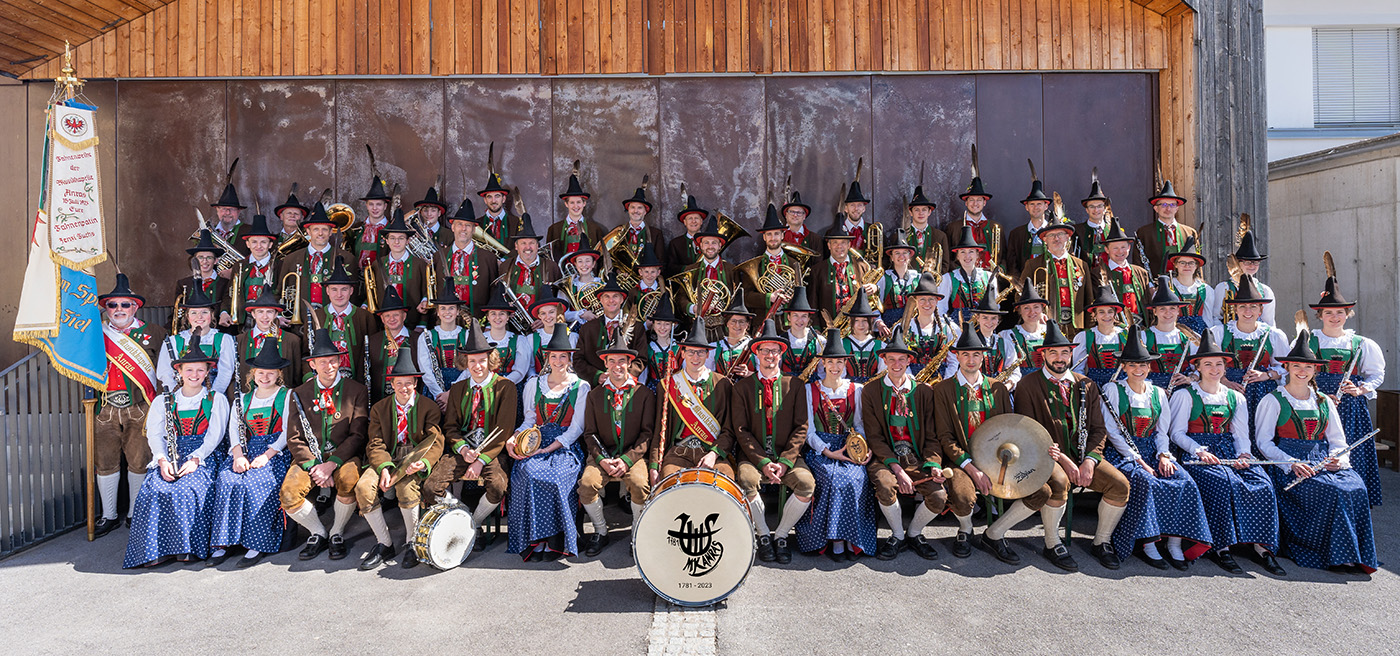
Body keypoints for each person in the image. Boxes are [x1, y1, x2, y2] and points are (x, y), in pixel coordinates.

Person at [983, 321, 1130, 571]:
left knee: (1120, 486)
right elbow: (1030, 433)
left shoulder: (1086, 384)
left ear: (1071, 353)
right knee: (1060, 482)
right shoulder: (1028, 385)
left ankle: (1101, 541)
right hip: (1044, 455)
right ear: (1043, 354)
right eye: (1053, 352)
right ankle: (1052, 543)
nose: (1059, 358)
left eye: (1064, 352)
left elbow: (1098, 429)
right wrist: (1066, 461)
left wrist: (1090, 461)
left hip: (1083, 456)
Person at [1253, 335, 1377, 573]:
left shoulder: (1324, 401)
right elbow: (1264, 442)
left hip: (1322, 461)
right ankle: (1331, 554)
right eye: (1296, 366)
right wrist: (1291, 464)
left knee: (1356, 486)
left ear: (1315, 370)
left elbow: (1338, 441)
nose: (1302, 371)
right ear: (1287, 367)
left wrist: (1338, 460)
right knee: (1334, 491)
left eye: (1308, 367)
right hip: (1288, 464)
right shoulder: (1273, 399)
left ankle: (1353, 553)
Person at [1169, 328, 1284, 575]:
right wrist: (1199, 451)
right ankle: (1222, 548)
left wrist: (1244, 454)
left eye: (1219, 364)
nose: (1214, 369)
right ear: (1197, 367)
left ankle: (1261, 547)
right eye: (1207, 364)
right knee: (1223, 482)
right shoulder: (1184, 395)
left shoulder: (1236, 397)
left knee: (1261, 483)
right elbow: (1176, 434)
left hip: (1229, 450)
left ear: (1225, 367)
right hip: (1196, 453)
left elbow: (1241, 434)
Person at [1101, 326, 1213, 570]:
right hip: (1123, 454)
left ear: (1149, 367)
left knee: (1183, 480)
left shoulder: (1159, 393)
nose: (1137, 370)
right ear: (1124, 367)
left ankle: (1174, 542)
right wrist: (1137, 460)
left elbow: (1161, 432)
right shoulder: (1112, 390)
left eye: (1142, 365)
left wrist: (1163, 455)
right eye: (1132, 365)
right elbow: (1114, 433)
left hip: (1153, 450)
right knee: (1147, 482)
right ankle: (1148, 543)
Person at [123, 334, 230, 568]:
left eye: (200, 370)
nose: (194, 375)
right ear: (179, 372)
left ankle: (187, 547)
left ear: (207, 372)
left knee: (189, 489)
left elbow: (215, 437)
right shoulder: (164, 400)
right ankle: (155, 549)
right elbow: (154, 433)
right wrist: (162, 460)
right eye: (189, 370)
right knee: (153, 490)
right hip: (171, 452)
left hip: (203, 455)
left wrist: (196, 459)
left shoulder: (216, 399)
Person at [422, 319, 518, 545]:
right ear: (465, 362)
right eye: (472, 361)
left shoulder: (506, 387)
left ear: (490, 361)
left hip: (492, 452)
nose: (477, 366)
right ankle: (461, 516)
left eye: (482, 360)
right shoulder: (457, 389)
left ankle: (473, 522)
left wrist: (480, 461)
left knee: (497, 486)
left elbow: (504, 430)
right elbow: (451, 427)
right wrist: (463, 450)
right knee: (430, 487)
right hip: (463, 450)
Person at [280, 328, 370, 562]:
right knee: (289, 494)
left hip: (343, 455)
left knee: (349, 480)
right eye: (322, 362)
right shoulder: (298, 393)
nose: (328, 366)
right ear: (313, 365)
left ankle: (336, 531)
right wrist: (314, 466)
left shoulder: (357, 390)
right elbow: (294, 437)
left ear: (340, 361)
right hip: (309, 458)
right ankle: (318, 532)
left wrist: (331, 464)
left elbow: (357, 435)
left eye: (332, 361)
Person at [731, 321, 815, 563]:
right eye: (764, 350)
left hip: (786, 455)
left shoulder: (795, 385)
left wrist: (786, 461)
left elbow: (801, 427)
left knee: (806, 484)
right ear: (756, 353)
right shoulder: (743, 388)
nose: (770, 355)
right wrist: (764, 462)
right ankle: (763, 535)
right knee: (746, 481)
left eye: (774, 351)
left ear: (781, 353)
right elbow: (741, 430)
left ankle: (781, 535)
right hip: (754, 455)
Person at [208, 340, 295, 568]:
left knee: (257, 482)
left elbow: (287, 431)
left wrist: (267, 455)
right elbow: (235, 431)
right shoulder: (242, 399)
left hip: (275, 451)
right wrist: (238, 456)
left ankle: (256, 542)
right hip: (246, 450)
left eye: (270, 373)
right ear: (253, 374)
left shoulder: (286, 395)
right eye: (260, 372)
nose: (265, 377)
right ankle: (224, 543)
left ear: (278, 374)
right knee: (227, 480)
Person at [861, 328, 946, 561]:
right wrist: (897, 470)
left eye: (901, 359)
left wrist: (933, 464)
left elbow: (931, 435)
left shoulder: (924, 392)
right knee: (886, 486)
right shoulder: (870, 391)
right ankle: (897, 535)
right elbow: (874, 436)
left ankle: (914, 533)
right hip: (885, 459)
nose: (896, 364)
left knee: (939, 497)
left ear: (910, 360)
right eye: (891, 359)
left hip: (916, 458)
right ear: (884, 360)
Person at [355, 350, 444, 570]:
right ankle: (384, 543)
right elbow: (375, 443)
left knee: (406, 490)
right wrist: (384, 468)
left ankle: (411, 542)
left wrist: (423, 463)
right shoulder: (379, 408)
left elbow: (436, 440)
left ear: (415, 383)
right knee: (363, 488)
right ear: (392, 384)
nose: (404, 388)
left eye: (408, 383)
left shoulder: (428, 407)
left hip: (414, 457)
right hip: (386, 457)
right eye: (399, 383)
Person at [508, 325, 591, 561]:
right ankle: (536, 540)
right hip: (536, 441)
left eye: (563, 356)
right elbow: (530, 420)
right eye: (553, 356)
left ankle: (556, 541)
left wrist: (552, 446)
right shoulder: (534, 384)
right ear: (547, 357)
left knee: (555, 478)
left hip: (565, 445)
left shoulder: (580, 386)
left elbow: (577, 428)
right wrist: (514, 437)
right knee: (528, 472)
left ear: (569, 358)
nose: (558, 360)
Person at [94, 274, 167, 538]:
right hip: (104, 408)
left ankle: (135, 513)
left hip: (140, 406)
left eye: (125, 305)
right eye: (113, 305)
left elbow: (166, 372)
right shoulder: (95, 334)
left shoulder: (155, 333)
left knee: (139, 461)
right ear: (106, 308)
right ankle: (109, 515)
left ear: (135, 307)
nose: (119, 310)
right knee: (105, 462)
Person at [932, 324, 1013, 558]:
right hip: (960, 461)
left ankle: (995, 533)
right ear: (956, 355)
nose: (970, 359)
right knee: (963, 496)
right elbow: (945, 436)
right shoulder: (944, 390)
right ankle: (966, 528)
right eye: (965, 354)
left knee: (1038, 489)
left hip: (996, 458)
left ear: (983, 356)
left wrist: (1000, 463)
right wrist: (972, 468)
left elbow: (1007, 429)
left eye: (976, 354)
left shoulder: (997, 388)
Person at [795, 331, 876, 560]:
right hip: (821, 449)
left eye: (839, 361)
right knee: (830, 478)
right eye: (830, 361)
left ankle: (853, 539)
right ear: (822, 363)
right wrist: (828, 451)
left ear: (845, 363)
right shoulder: (810, 389)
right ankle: (835, 540)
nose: (834, 366)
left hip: (848, 446)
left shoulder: (856, 390)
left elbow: (859, 425)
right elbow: (808, 430)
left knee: (857, 478)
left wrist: (862, 447)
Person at [1308, 276, 1386, 506]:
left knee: (1353, 449)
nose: (1335, 317)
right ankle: (1322, 497)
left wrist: (1360, 389)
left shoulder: (1362, 343)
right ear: (1320, 315)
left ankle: (1355, 498)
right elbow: (1293, 374)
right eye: (1329, 313)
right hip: (1318, 403)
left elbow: (1376, 374)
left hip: (1350, 406)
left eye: (1340, 312)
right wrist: (1316, 393)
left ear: (1347, 315)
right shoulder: (1308, 340)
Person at [576, 331, 655, 557]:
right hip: (603, 454)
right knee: (587, 484)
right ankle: (601, 531)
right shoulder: (594, 395)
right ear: (605, 364)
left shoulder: (644, 394)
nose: (617, 366)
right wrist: (601, 459)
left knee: (640, 484)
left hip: (633, 455)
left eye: (622, 360)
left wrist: (627, 459)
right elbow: (589, 433)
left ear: (630, 363)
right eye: (612, 361)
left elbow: (647, 434)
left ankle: (636, 533)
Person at [652, 316, 737, 483]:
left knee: (724, 481)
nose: (695, 357)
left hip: (712, 452)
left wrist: (714, 454)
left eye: (700, 352)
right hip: (678, 452)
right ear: (682, 354)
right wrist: (654, 466)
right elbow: (658, 430)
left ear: (707, 354)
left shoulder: (723, 384)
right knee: (671, 483)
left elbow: (729, 429)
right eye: (690, 351)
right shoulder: (668, 385)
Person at [1211, 274, 1289, 424]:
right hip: (1228, 391)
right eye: (1243, 307)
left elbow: (1285, 367)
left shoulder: (1273, 335)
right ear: (1235, 309)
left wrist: (1266, 375)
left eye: (1253, 307)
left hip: (1262, 392)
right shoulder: (1219, 332)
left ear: (1260, 309)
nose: (1248, 311)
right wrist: (1224, 381)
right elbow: (1208, 365)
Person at [158, 285, 237, 397]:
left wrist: (211, 397)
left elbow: (225, 373)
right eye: (194, 313)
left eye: (204, 312)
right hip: (181, 397)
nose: (199, 317)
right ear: (187, 316)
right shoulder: (173, 341)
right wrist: (179, 396)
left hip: (213, 397)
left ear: (212, 314)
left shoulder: (224, 340)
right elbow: (165, 373)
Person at [1015, 212, 1086, 335]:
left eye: (1060, 234)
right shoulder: (1033, 264)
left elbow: (1088, 299)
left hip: (1076, 328)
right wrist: (1036, 314)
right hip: (1045, 325)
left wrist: (1088, 328)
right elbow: (1020, 293)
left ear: (1067, 237)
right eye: (1051, 235)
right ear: (1045, 240)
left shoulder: (1081, 265)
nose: (1056, 238)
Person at [280, 203, 360, 311]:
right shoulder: (291, 259)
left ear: (331, 232)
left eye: (325, 229)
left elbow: (353, 295)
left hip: (333, 320)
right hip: (300, 321)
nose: (320, 233)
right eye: (316, 229)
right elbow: (280, 291)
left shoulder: (347, 258)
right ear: (308, 232)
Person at [314, 258, 374, 383]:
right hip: (323, 380)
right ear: (327, 291)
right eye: (334, 289)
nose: (339, 294)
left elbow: (371, 351)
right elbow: (306, 350)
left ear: (351, 291)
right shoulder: (317, 316)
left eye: (344, 289)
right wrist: (310, 376)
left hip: (356, 382)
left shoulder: (364, 317)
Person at [437, 198, 500, 318]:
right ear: (452, 227)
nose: (463, 229)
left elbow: (494, 293)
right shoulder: (439, 256)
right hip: (446, 323)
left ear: (474, 229)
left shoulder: (488, 257)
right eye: (459, 224)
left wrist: (488, 323)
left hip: (478, 322)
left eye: (468, 225)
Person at [575, 273, 642, 385]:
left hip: (627, 387)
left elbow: (641, 359)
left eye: (615, 296)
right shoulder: (587, 329)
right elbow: (578, 360)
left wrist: (623, 376)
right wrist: (597, 375)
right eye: (607, 296)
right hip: (597, 389)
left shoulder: (637, 327)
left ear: (622, 300)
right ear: (600, 300)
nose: (611, 300)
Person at [369, 209, 431, 329]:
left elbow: (426, 294)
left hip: (413, 323)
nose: (396, 242)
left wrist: (422, 324)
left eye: (401, 238)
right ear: (387, 241)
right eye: (392, 238)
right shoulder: (378, 264)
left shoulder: (419, 264)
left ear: (407, 241)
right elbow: (373, 292)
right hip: (385, 325)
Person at [740, 204, 803, 320]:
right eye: (769, 234)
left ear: (782, 235)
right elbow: (746, 297)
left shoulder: (794, 264)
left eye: (776, 234)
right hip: (762, 321)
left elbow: (801, 296)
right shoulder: (755, 264)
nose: (773, 238)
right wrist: (769, 298)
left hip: (787, 324)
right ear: (764, 237)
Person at [233, 286, 304, 387]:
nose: (265, 317)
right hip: (247, 397)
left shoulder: (292, 340)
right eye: (260, 312)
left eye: (269, 312)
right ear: (253, 314)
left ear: (276, 314)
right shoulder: (239, 340)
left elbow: (297, 375)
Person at [220, 214, 280, 329]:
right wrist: (224, 312)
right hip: (243, 320)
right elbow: (229, 294)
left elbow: (281, 293)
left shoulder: (279, 265)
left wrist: (279, 315)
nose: (258, 246)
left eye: (263, 242)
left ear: (270, 244)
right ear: (247, 244)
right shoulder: (239, 265)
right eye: (254, 242)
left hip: (269, 319)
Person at [944, 158, 1005, 270]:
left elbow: (1004, 257)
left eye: (979, 200)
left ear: (984, 202)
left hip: (991, 280)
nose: (975, 203)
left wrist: (1000, 270)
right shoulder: (953, 228)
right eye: (971, 200)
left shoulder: (996, 227)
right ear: (966, 202)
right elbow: (949, 258)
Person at [806, 223, 875, 322]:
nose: (839, 246)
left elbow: (872, 299)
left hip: (857, 328)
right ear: (829, 245)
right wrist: (816, 328)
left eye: (843, 242)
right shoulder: (817, 270)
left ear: (849, 245)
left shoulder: (862, 266)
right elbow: (813, 302)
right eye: (835, 242)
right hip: (828, 329)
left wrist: (874, 288)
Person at [418, 281, 470, 407]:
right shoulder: (427, 336)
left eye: (451, 308)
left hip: (462, 387)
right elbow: (426, 370)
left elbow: (470, 368)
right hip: (435, 390)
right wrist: (439, 395)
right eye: (443, 308)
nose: (447, 312)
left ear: (458, 311)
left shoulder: (468, 335)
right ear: (437, 312)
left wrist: (452, 392)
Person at [1090, 218, 1150, 325]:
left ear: (1129, 248)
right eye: (1115, 248)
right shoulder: (1097, 273)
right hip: (1114, 326)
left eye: (1123, 247)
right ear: (1107, 250)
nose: (1120, 251)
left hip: (1141, 326)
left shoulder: (1141, 272)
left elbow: (1147, 301)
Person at [1213, 228, 1276, 327]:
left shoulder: (1265, 290)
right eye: (1247, 262)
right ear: (1237, 263)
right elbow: (1215, 317)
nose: (1252, 265)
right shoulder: (1224, 288)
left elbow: (1269, 321)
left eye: (1256, 262)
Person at [366, 287, 419, 405]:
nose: (392, 319)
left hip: (411, 399)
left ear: (404, 316)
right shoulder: (373, 341)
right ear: (382, 319)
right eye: (387, 316)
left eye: (396, 315)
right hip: (380, 401)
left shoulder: (417, 339)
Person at [1134, 179, 1198, 277]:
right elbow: (1138, 264)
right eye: (1163, 205)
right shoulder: (1144, 233)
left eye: (1172, 205)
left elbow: (1196, 262)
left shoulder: (1189, 232)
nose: (1168, 209)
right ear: (1156, 208)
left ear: (1177, 208)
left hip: (1183, 284)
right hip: (1155, 285)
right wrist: (1148, 286)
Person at [1143, 277, 1197, 390]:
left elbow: (1201, 367)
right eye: (1162, 309)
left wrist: (1190, 379)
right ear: (1155, 311)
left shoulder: (1189, 338)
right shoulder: (1143, 337)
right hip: (1152, 393)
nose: (1168, 313)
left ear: (1178, 311)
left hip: (1182, 393)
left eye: (1172, 308)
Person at [903, 273, 959, 381]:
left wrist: (945, 382)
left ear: (937, 301)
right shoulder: (906, 327)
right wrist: (912, 381)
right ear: (916, 301)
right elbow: (901, 359)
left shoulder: (948, 328)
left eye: (931, 299)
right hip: (913, 381)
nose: (927, 303)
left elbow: (953, 361)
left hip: (941, 381)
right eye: (922, 299)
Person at [503, 213, 562, 309]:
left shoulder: (551, 267)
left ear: (537, 246)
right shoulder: (505, 266)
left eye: (532, 243)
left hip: (544, 322)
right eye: (523, 243)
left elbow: (558, 299)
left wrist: (544, 317)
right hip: (511, 322)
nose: (528, 247)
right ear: (516, 246)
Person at [1071, 285, 1126, 389]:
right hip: (1093, 387)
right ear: (1094, 315)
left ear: (1115, 314)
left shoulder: (1126, 335)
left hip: (1122, 386)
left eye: (1110, 311)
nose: (1107, 316)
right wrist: (1088, 389)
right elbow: (1078, 370)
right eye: (1101, 312)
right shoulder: (1084, 337)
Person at [939, 226, 995, 325]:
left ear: (977, 255)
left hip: (984, 327)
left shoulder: (989, 277)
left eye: (971, 252)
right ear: (957, 255)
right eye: (963, 252)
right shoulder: (948, 278)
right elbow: (941, 310)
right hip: (958, 329)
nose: (967, 256)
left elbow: (995, 308)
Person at [548, 166, 605, 262]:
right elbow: (550, 259)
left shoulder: (595, 229)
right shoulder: (554, 229)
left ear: (584, 203)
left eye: (579, 202)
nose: (576, 206)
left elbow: (600, 259)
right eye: (572, 202)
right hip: (563, 275)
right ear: (566, 204)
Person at [1005, 166, 1054, 276]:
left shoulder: (1055, 232)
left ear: (1046, 206)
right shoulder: (1016, 234)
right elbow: (1012, 265)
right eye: (1032, 204)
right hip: (1026, 287)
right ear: (1026, 207)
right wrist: (1020, 286)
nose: (1035, 207)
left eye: (1039, 204)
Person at [1162, 238, 1217, 335]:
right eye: (1182, 262)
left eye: (1191, 263)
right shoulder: (1167, 287)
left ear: (1196, 266)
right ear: (1175, 265)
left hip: (1200, 333)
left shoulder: (1206, 289)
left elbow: (1209, 317)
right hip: (1174, 332)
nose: (1187, 266)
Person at [1001, 279, 1050, 379]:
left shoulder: (1050, 332)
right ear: (1020, 311)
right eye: (1026, 308)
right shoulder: (1009, 335)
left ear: (1042, 309)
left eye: (1036, 307)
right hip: (1021, 386)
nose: (1032, 312)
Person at [175, 230, 231, 318]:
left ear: (216, 261)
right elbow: (176, 312)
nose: (204, 261)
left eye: (209, 257)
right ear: (194, 260)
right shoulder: (183, 284)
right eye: (200, 257)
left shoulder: (226, 283)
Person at [877, 229, 924, 330]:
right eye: (897, 253)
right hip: (889, 327)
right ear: (892, 257)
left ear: (909, 256)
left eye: (905, 253)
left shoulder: (918, 278)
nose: (901, 256)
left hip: (914, 326)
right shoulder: (884, 278)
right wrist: (879, 322)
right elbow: (874, 305)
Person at [617, 180, 668, 274]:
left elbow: (661, 261)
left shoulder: (656, 234)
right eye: (632, 207)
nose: (635, 211)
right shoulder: (618, 231)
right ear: (628, 210)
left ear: (645, 211)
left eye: (640, 208)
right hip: (623, 282)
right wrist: (618, 271)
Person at [706, 294, 756, 379]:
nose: (737, 325)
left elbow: (764, 375)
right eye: (733, 321)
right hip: (721, 390)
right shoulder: (713, 347)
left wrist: (748, 373)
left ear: (747, 325)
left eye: (742, 322)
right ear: (727, 323)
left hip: (747, 391)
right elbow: (707, 374)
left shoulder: (755, 346)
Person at [641, 293, 683, 394]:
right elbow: (643, 376)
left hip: (676, 390)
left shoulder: (679, 349)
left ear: (673, 325)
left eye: (667, 324)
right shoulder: (648, 348)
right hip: (653, 391)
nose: (662, 328)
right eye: (659, 323)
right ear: (653, 325)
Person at [558, 235, 605, 326]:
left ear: (593, 264)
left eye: (588, 261)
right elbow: (561, 314)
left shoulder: (602, 284)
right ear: (575, 264)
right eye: (580, 261)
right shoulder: (569, 286)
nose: (584, 265)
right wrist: (581, 314)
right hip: (577, 329)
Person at [841, 290, 885, 384]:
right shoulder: (842, 344)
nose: (861, 325)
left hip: (872, 392)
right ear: (851, 322)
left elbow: (882, 374)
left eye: (865, 320)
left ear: (871, 322)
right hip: (849, 391)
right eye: (857, 320)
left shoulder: (880, 346)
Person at [779, 289, 824, 379]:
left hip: (811, 386)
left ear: (808, 319)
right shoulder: (780, 341)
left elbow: (821, 372)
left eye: (804, 316)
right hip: (786, 386)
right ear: (789, 317)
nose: (800, 320)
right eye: (795, 315)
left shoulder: (819, 341)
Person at [904, 185, 951, 272]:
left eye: (924, 209)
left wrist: (935, 281)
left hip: (932, 283)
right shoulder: (901, 236)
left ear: (929, 212)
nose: (920, 213)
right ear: (910, 212)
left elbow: (945, 264)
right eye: (916, 210)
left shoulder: (940, 236)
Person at [477, 164, 523, 248]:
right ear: (485, 200)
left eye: (497, 196)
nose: (493, 200)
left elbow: (520, 247)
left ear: (503, 199)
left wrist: (505, 261)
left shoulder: (515, 222)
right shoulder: (477, 224)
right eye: (489, 197)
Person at [1072, 170, 1112, 266]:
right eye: (1092, 206)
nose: (1096, 210)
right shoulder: (1077, 231)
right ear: (1087, 210)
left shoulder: (1112, 229)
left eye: (1099, 206)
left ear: (1105, 208)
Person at [354, 172, 392, 269]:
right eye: (371, 204)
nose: (374, 208)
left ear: (385, 206)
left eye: (379, 204)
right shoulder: (356, 228)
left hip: (382, 277)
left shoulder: (391, 229)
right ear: (366, 205)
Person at [664, 195, 708, 278]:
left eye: (696, 218)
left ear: (701, 221)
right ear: (685, 222)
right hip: (685, 285)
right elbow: (670, 267)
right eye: (690, 218)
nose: (693, 221)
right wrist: (688, 269)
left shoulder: (710, 241)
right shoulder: (675, 243)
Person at [837, 169, 873, 255]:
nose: (856, 209)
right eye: (852, 205)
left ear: (864, 208)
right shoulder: (835, 232)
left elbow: (885, 259)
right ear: (846, 208)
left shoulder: (874, 231)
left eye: (859, 205)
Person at [779, 188, 823, 255]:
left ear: (804, 216)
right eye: (792, 212)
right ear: (786, 215)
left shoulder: (815, 239)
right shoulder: (776, 237)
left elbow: (818, 263)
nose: (795, 215)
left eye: (799, 212)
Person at [273, 185, 308, 256]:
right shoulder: (272, 240)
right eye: (289, 213)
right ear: (281, 216)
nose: (292, 216)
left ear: (302, 218)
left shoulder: (308, 241)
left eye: (296, 214)